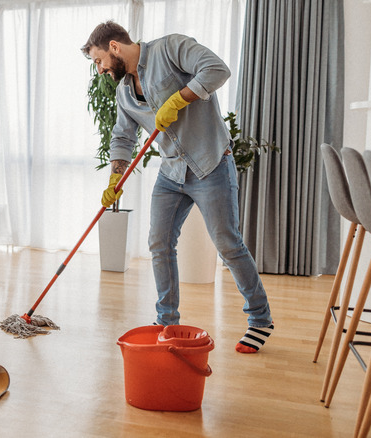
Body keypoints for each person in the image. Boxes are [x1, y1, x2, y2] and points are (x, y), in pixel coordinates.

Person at [81, 21, 273, 354]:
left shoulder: (169, 49)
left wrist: (179, 99)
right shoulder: (125, 90)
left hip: (210, 162)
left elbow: (217, 69)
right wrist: (116, 175)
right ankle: (166, 321)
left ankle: (260, 319)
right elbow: (123, 137)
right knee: (159, 242)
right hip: (171, 172)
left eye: (98, 61)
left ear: (114, 47)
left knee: (228, 243)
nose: (99, 71)